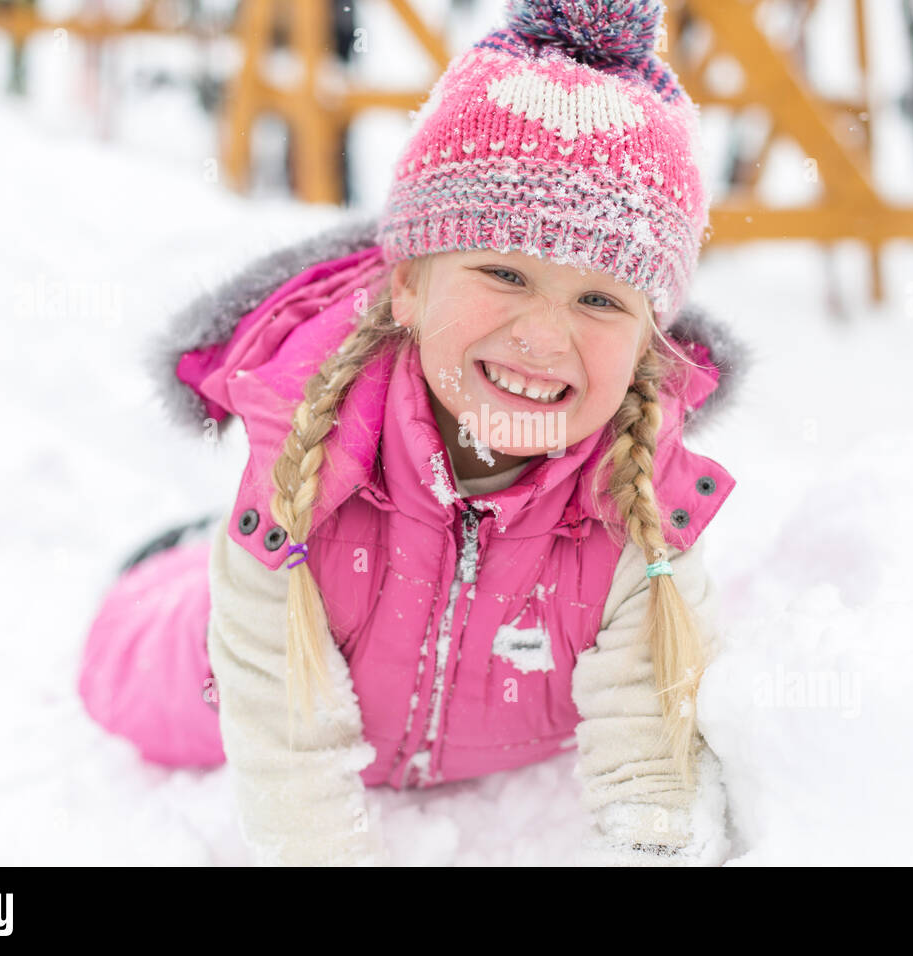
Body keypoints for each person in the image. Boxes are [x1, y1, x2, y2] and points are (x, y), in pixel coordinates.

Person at [79, 0, 751, 866]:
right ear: (407, 288)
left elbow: (653, 762)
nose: (545, 339)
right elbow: (287, 756)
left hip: (499, 722)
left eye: (599, 300)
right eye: (506, 273)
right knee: (129, 681)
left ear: (648, 335)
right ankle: (165, 565)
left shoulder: (643, 507)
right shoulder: (308, 469)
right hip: (247, 667)